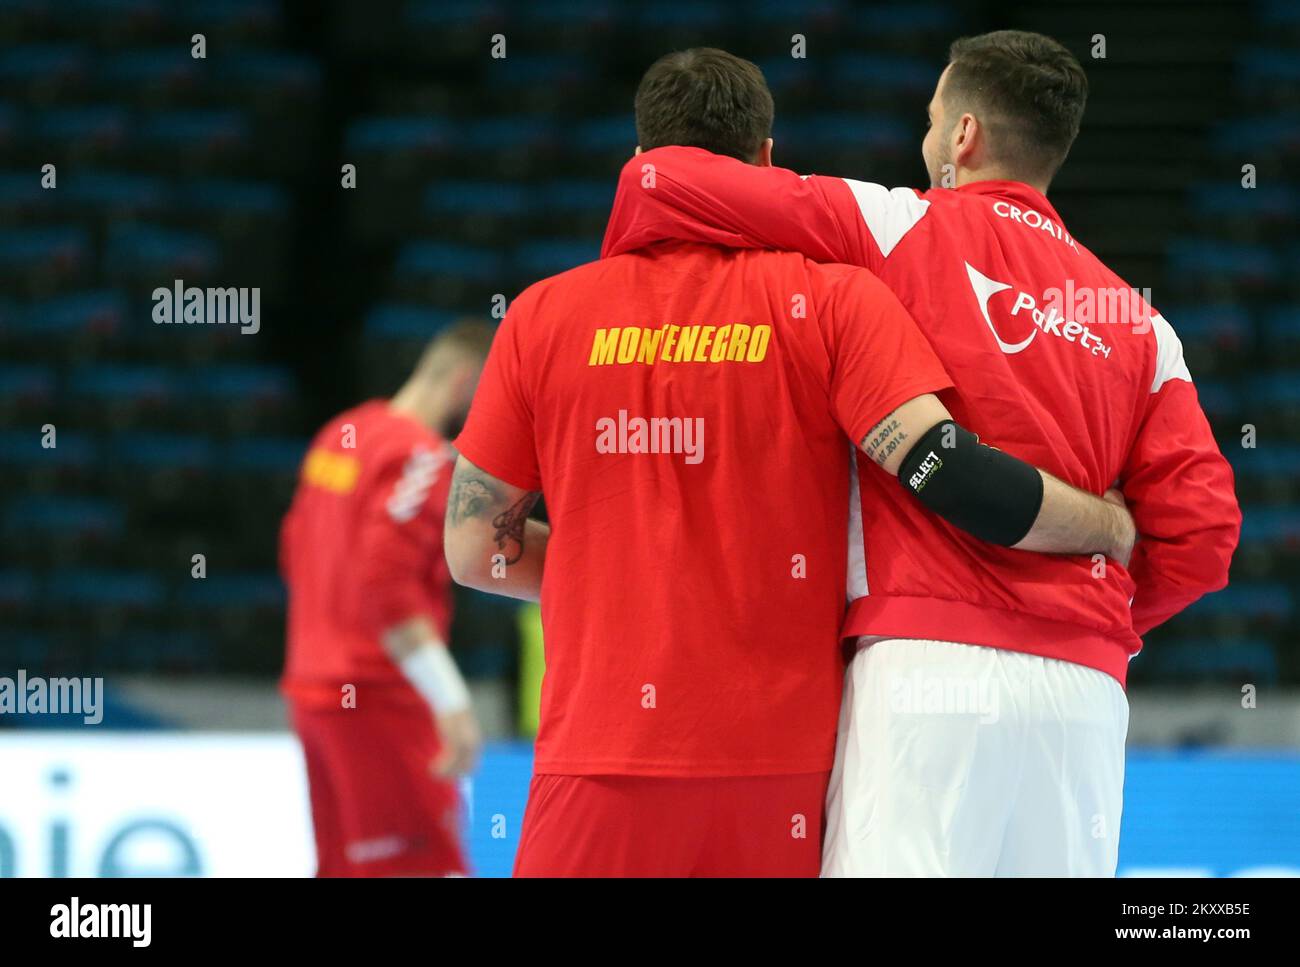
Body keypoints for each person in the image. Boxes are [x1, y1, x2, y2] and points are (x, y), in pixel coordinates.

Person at [444, 48, 1135, 878]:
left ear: (639, 163)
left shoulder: (540, 316)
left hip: (596, 756)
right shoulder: (836, 300)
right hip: (782, 766)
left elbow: (474, 547)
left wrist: (605, 563)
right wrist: (1107, 523)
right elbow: (943, 467)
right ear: (767, 161)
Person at [601, 33, 1243, 876]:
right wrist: (1090, 608)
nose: (926, 135)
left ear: (964, 136)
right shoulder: (1140, 324)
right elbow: (1202, 540)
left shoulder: (896, 223)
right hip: (1084, 695)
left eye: (932, 117)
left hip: (925, 670)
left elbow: (663, 178)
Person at [279, 320, 493, 877]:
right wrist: (451, 702)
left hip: (313, 693)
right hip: (379, 701)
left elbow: (294, 552)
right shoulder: (420, 456)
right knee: (418, 868)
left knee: (344, 869)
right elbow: (386, 586)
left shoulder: (339, 434)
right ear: (467, 383)